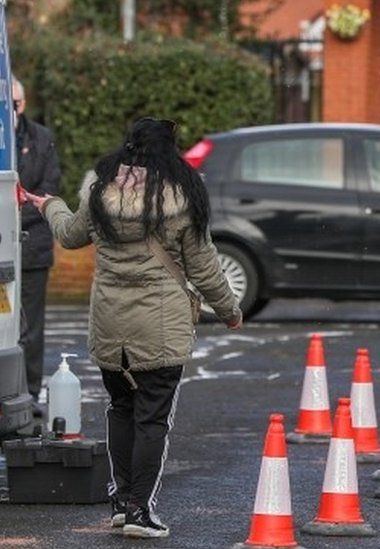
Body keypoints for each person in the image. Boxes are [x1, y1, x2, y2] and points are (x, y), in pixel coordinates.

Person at [24, 117, 241, 538]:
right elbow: (204, 266)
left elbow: (69, 236)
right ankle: (141, 510)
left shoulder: (100, 191)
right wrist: (229, 310)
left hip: (110, 324)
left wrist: (49, 204)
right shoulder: (181, 196)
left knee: (121, 409)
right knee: (152, 418)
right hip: (159, 326)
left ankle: (123, 503)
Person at [13, 76, 62, 416]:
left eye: (15, 105)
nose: (11, 112)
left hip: (32, 244)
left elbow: (46, 193)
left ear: (24, 103)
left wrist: (14, 214)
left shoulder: (41, 138)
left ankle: (29, 395)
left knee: (31, 328)